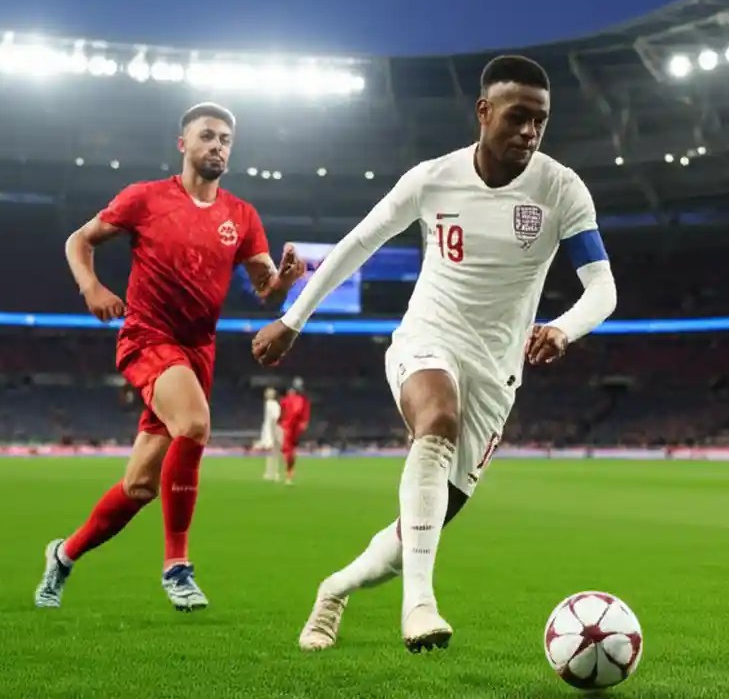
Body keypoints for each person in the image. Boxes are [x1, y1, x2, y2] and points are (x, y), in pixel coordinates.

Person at [251, 55, 617, 652]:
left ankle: (334, 589)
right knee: (436, 419)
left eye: (540, 122)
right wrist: (293, 319)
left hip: (497, 373)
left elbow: (602, 286)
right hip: (428, 338)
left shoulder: (560, 187)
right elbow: (360, 243)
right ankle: (419, 606)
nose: (529, 132)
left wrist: (565, 327)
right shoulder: (433, 179)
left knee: (414, 533)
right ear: (483, 112)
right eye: (518, 117)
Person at [34, 102, 305, 611]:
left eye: (225, 139)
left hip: (197, 350)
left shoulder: (241, 216)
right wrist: (90, 285)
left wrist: (286, 280)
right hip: (148, 337)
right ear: (183, 144)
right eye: (207, 136)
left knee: (139, 487)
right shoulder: (145, 199)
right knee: (196, 423)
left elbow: (265, 287)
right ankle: (177, 565)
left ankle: (63, 555)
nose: (218, 146)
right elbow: (79, 240)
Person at [279, 377, 311, 485]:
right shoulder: (293, 399)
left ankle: (288, 472)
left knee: (288, 450)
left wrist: (303, 422)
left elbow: (303, 414)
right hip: (289, 427)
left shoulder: (300, 400)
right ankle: (287, 472)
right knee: (288, 450)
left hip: (291, 427)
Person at [259, 388, 284, 482]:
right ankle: (273, 473)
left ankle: (272, 472)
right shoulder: (272, 404)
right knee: (274, 453)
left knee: (274, 453)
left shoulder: (271, 404)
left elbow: (274, 419)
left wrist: (274, 432)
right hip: (273, 428)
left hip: (273, 428)